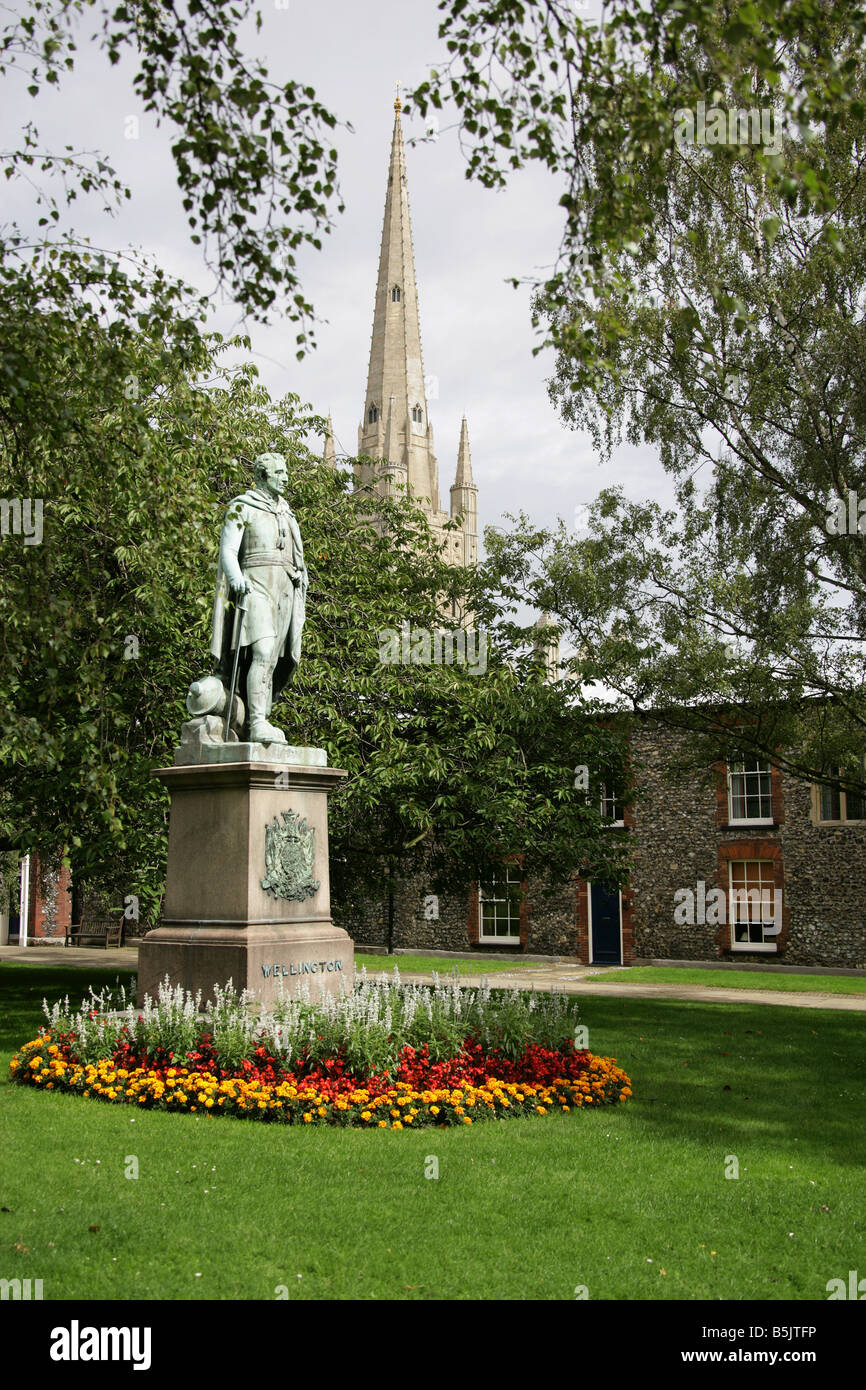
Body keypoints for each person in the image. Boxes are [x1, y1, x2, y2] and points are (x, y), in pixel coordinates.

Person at [209, 451, 307, 744]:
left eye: (286, 472)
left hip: (284, 591)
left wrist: (300, 574)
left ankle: (257, 715)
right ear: (263, 476)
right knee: (263, 651)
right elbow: (228, 549)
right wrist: (237, 578)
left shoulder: (286, 513)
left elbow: (295, 556)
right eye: (280, 473)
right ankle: (257, 722)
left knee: (273, 660)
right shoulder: (243, 507)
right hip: (255, 586)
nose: (286, 478)